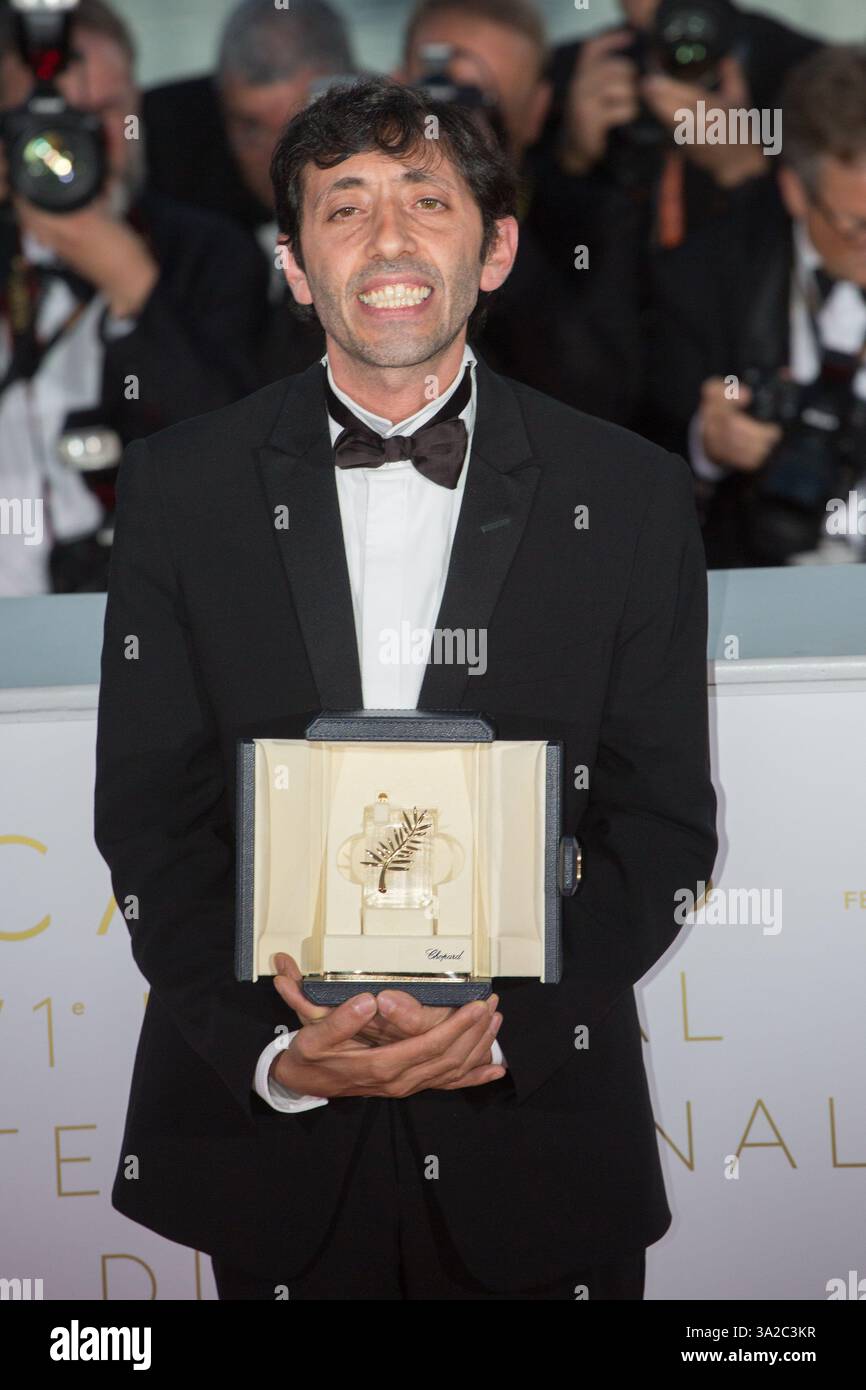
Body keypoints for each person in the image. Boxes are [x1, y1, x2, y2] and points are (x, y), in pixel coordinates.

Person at [93, 77, 717, 1300]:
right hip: (275, 1147)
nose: (386, 239)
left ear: (496, 251)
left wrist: (502, 1037)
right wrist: (279, 1049)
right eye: (344, 207)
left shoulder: (630, 495)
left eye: (426, 199)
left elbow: (659, 827)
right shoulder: (180, 491)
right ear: (290, 264)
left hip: (537, 1145)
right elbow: (151, 821)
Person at [0, 0, 267, 594]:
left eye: (106, 112)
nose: (86, 144)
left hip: (130, 604)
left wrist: (134, 287)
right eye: (59, 123)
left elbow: (235, 464)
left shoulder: (209, 254)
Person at [648, 45, 866, 568]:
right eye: (857, 226)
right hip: (755, 585)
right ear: (794, 191)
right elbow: (631, 444)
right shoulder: (707, 273)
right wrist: (708, 443)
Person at [398, 0, 644, 425]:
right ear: (393, 84)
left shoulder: (583, 231)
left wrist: (479, 202)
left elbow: (597, 397)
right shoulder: (347, 208)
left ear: (535, 113)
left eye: (481, 108)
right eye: (435, 96)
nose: (450, 126)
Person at [142, 0, 357, 387]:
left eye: (303, 125)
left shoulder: (410, 143)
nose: (277, 157)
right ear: (220, 108)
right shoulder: (161, 151)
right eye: (251, 128)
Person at [545, 0, 820, 253]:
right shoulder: (561, 73)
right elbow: (527, 268)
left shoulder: (810, 75)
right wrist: (573, 160)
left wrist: (745, 171)